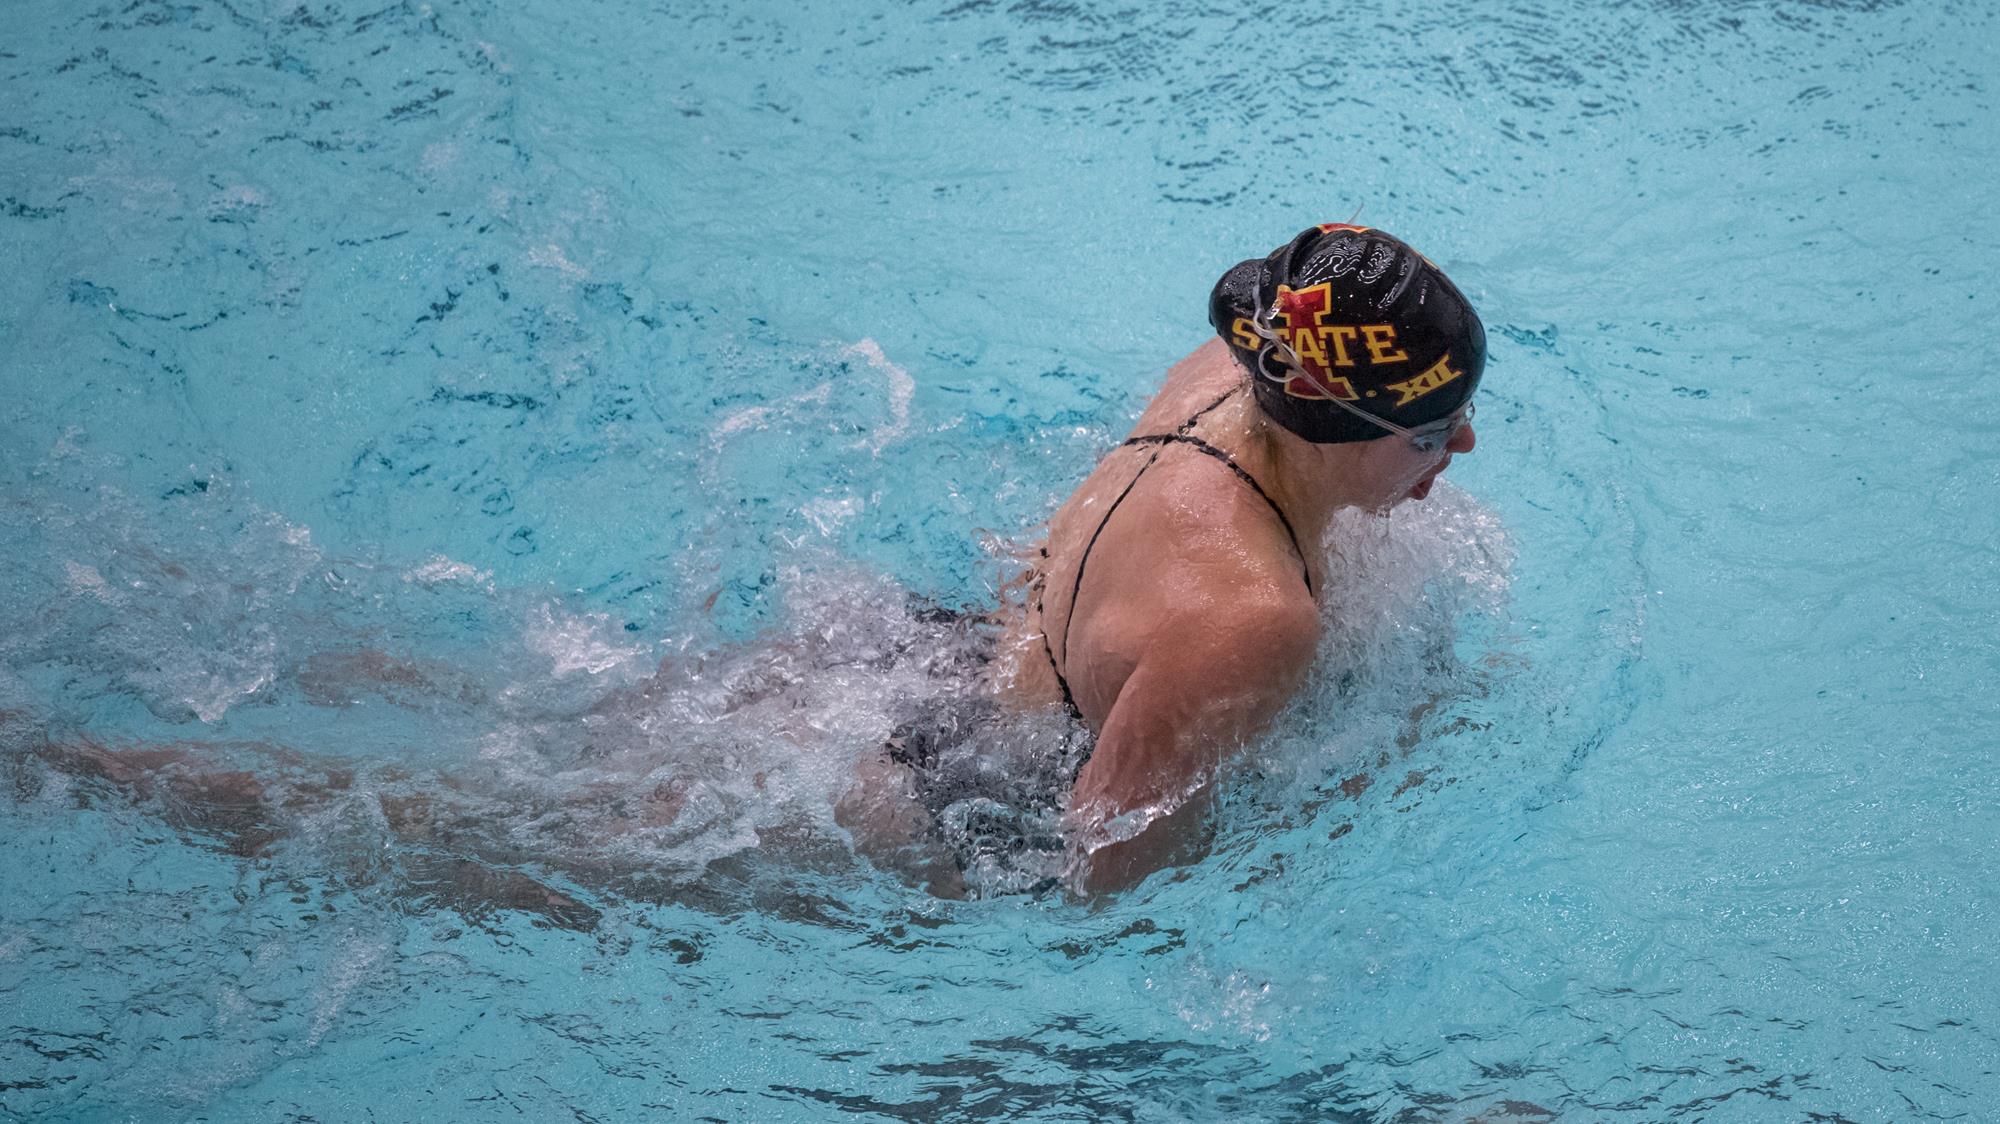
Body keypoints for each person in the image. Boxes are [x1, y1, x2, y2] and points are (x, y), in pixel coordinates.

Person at [851, 222, 1485, 894]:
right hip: (969, 808)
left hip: (943, 651)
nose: (1466, 442)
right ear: (1337, 429)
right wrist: (1345, 806)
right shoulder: (1254, 614)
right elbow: (1095, 876)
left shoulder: (1237, 364)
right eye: (1433, 434)